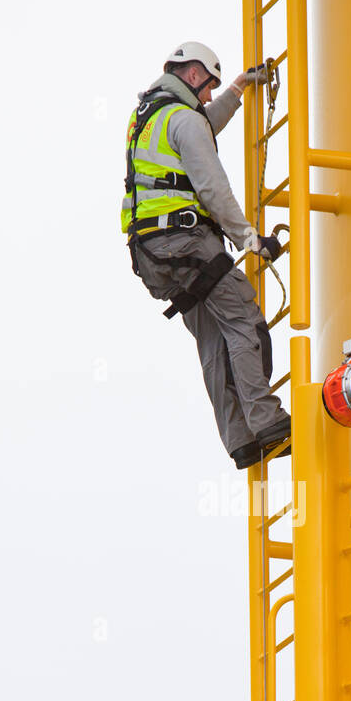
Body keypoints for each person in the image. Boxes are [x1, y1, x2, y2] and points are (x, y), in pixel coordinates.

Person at [121, 41, 290, 469]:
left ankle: (241, 442)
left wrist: (236, 92)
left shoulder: (149, 118)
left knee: (213, 339)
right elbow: (213, 189)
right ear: (193, 75)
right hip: (188, 243)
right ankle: (268, 423)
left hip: (153, 257)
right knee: (241, 318)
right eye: (210, 86)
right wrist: (252, 240)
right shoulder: (183, 120)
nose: (211, 96)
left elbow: (201, 125)